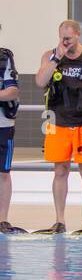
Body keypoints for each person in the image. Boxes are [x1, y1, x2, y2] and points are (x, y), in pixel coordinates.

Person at [33, 20, 82, 235]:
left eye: (68, 37)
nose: (65, 41)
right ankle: (59, 221)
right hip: (57, 123)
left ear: (78, 35)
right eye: (62, 37)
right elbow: (40, 81)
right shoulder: (51, 55)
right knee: (60, 170)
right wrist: (57, 57)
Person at [0, 45, 23, 234]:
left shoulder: (4, 59)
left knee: (3, 173)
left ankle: (3, 219)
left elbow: (13, 91)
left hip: (3, 126)